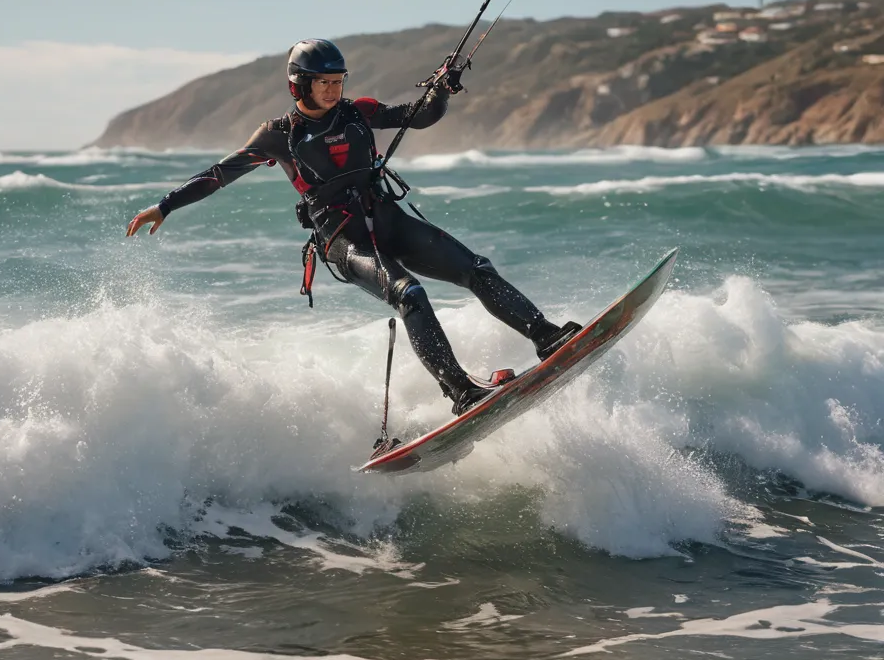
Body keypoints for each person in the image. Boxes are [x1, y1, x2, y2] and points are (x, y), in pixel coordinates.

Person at [126, 38, 580, 427]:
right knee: (411, 295)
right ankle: (461, 392)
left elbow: (418, 116)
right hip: (345, 241)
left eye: (338, 80)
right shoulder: (278, 135)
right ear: (298, 85)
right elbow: (218, 174)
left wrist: (441, 89)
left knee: (476, 269)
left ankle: (546, 336)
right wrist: (166, 205)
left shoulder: (358, 113)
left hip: (388, 220)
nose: (334, 89)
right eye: (324, 82)